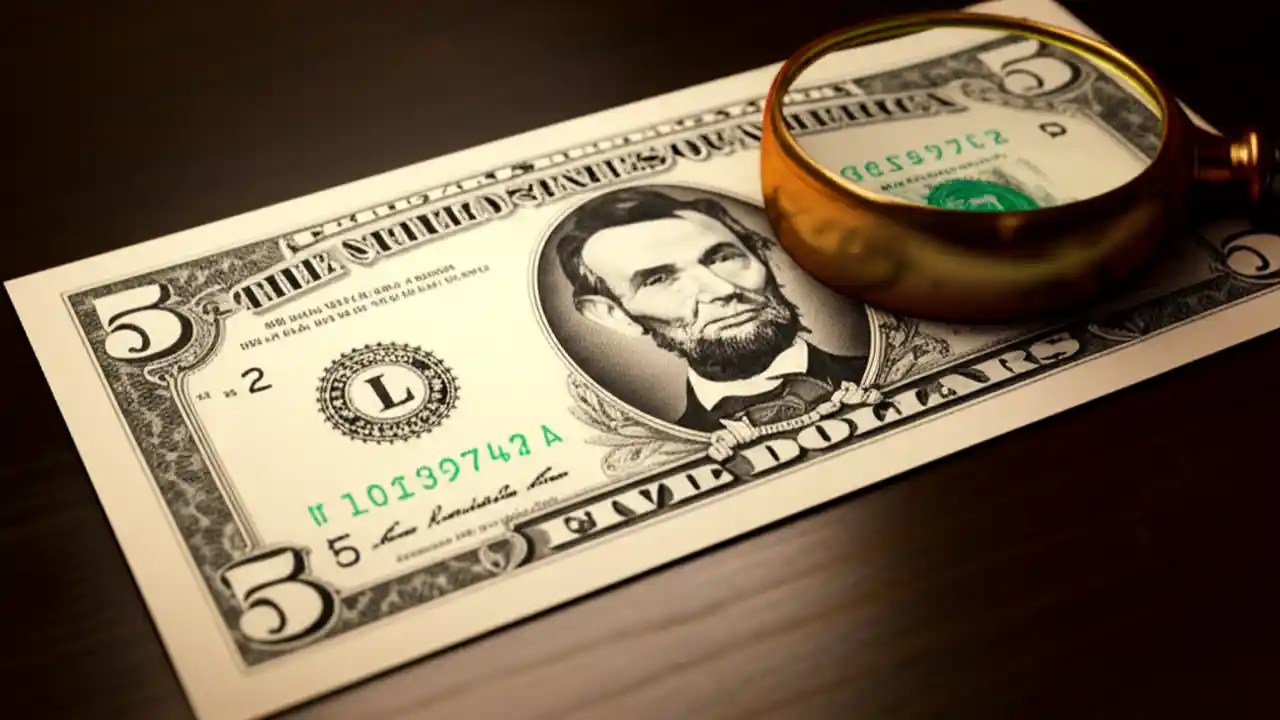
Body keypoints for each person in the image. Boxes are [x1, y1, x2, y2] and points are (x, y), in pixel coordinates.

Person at [554, 186, 869, 433]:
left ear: (761, 256)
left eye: (723, 258)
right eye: (658, 279)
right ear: (615, 315)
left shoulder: (872, 369)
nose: (723, 290)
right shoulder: (674, 449)